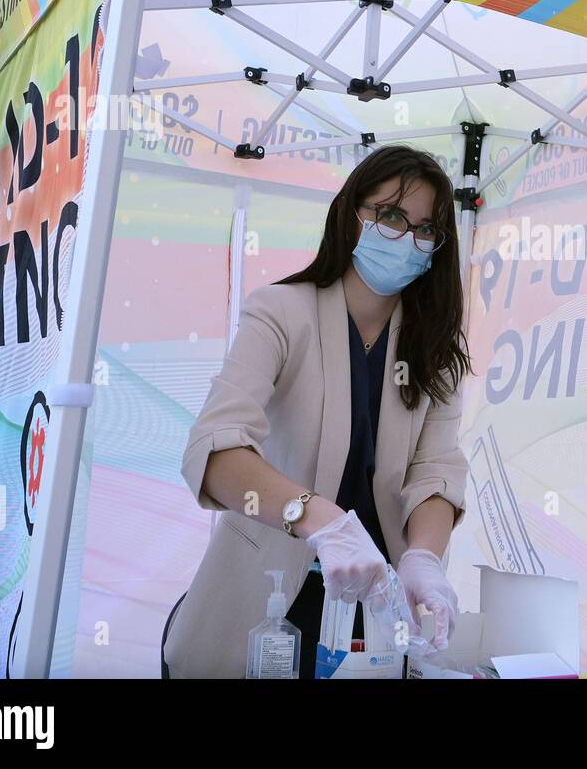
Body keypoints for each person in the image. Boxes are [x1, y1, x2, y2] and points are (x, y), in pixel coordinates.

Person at [162, 145, 472, 678]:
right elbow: (217, 446)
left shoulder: (435, 353)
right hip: (260, 599)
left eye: (426, 230)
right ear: (351, 214)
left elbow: (436, 475)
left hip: (370, 614)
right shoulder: (281, 311)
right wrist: (320, 520)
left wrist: (423, 557)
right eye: (391, 215)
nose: (408, 238)